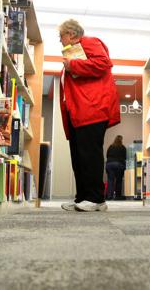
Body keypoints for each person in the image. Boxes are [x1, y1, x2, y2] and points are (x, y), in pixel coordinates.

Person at [58, 19, 120, 212]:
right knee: (78, 156)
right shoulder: (74, 51)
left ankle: (96, 199)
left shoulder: (89, 42)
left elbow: (103, 63)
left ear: (71, 34)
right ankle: (82, 197)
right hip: (78, 112)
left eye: (61, 36)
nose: (60, 40)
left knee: (89, 155)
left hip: (91, 109)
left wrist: (73, 66)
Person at [105, 136, 127, 201]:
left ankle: (109, 196)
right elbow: (125, 157)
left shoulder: (110, 147)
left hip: (109, 164)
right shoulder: (123, 148)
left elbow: (107, 155)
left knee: (110, 180)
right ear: (121, 140)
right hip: (119, 165)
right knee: (119, 180)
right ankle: (118, 196)